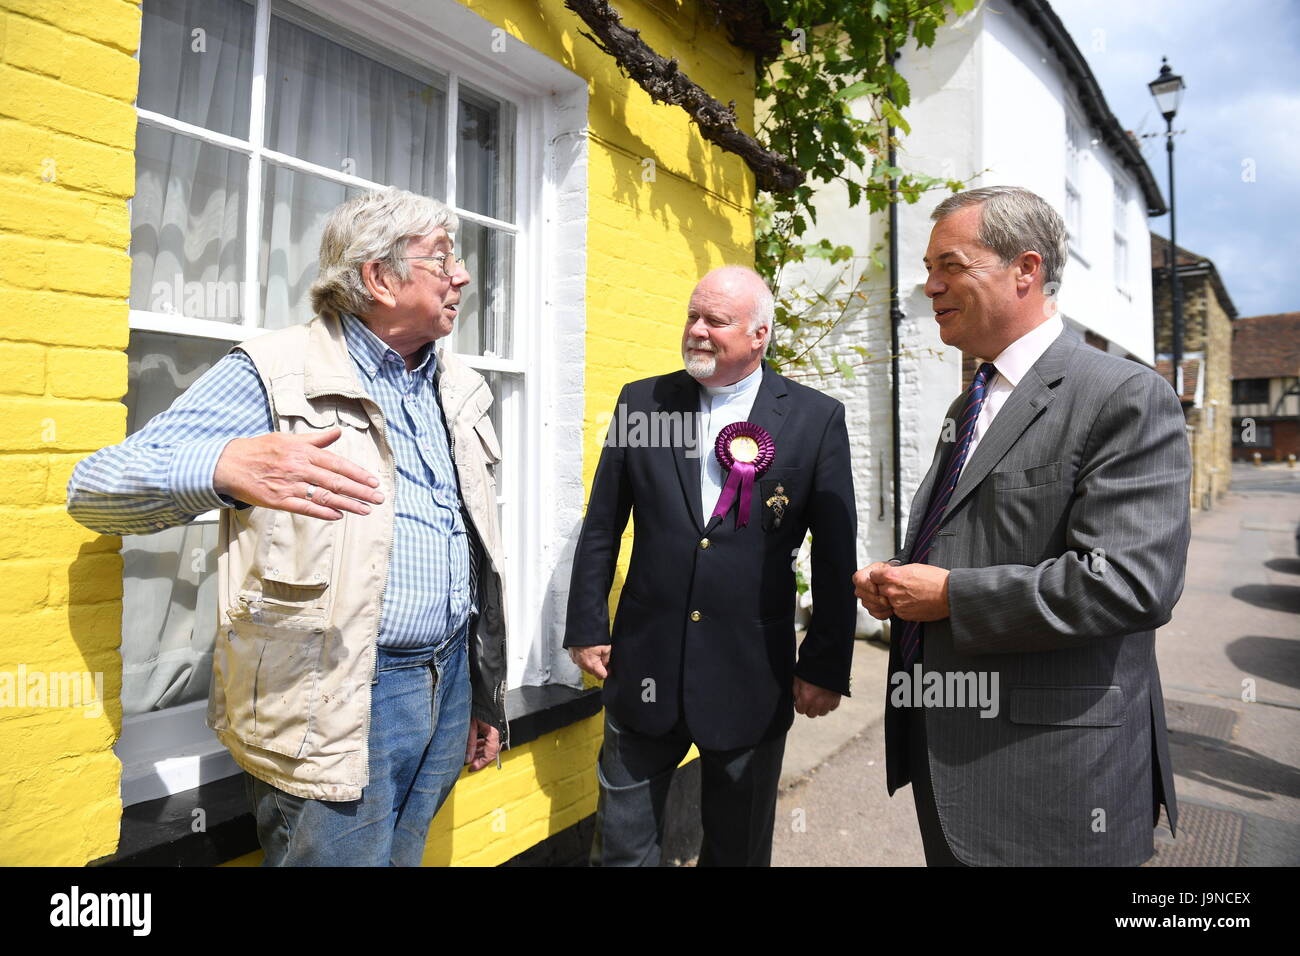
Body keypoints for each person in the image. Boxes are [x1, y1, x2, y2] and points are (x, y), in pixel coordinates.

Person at [67, 188, 508, 866]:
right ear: (379, 277)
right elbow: (95, 489)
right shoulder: (273, 373)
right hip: (339, 696)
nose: (463, 275)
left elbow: (472, 548)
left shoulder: (454, 384)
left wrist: (483, 694)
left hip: (447, 681)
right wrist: (223, 464)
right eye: (443, 258)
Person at [854, 185, 1190, 866]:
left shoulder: (1124, 395)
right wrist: (899, 578)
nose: (930, 286)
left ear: (1025, 269)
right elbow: (970, 534)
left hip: (1055, 780)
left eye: (951, 266)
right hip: (950, 757)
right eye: (928, 269)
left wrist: (950, 596)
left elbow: (1130, 583)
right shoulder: (969, 404)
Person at [564, 265, 858, 866]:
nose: (697, 330)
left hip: (751, 675)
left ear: (759, 335)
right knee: (621, 849)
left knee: (737, 852)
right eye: (692, 316)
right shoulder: (643, 402)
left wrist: (826, 663)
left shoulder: (815, 418)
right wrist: (588, 624)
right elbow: (603, 522)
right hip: (644, 665)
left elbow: (835, 552)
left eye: (715, 320)